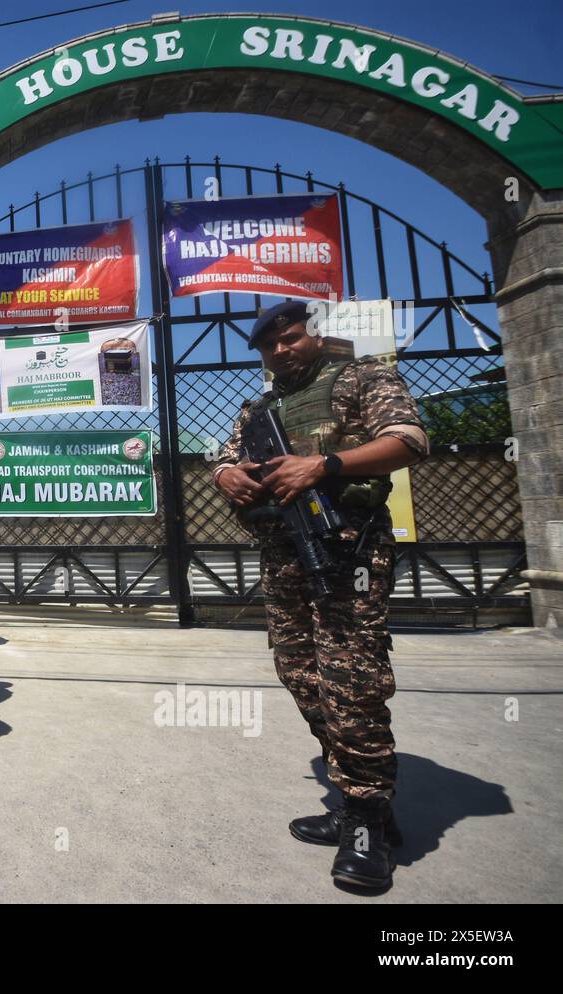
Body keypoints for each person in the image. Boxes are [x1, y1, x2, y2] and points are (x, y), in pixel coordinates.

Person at [212, 300, 429, 891]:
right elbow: (229, 460)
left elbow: (408, 440)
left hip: (347, 550)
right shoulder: (259, 407)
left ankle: (364, 824)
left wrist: (324, 465)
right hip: (285, 552)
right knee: (299, 672)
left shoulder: (361, 377)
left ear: (313, 334)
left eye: (292, 337)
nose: (282, 349)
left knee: (351, 681)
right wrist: (224, 474)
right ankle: (365, 804)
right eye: (269, 344)